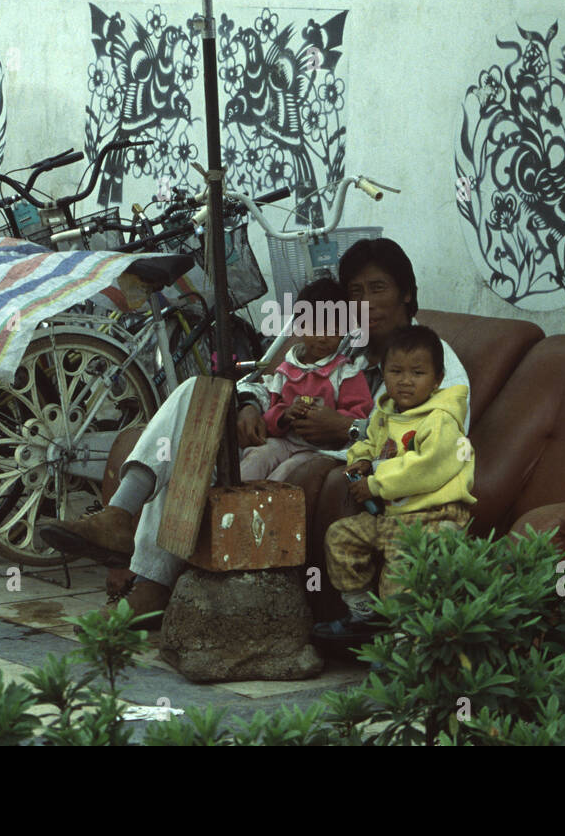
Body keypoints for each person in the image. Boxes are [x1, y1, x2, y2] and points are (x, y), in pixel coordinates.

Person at [38, 237, 471, 624]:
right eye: (355, 293)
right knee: (199, 393)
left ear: (407, 294)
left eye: (379, 289)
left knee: (240, 468)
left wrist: (349, 429)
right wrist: (247, 405)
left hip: (332, 459)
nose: (367, 303)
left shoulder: (435, 359)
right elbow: (263, 378)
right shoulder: (336, 341)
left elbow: (441, 444)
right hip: (283, 437)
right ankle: (120, 513)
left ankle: (153, 582)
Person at [312, 325, 476, 642]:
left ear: (438, 379)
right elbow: (369, 445)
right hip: (392, 517)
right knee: (340, 537)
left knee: (400, 576)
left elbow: (426, 467)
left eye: (418, 373)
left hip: (434, 516)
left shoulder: (441, 419)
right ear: (383, 372)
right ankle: (363, 615)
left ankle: (403, 646)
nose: (405, 380)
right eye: (396, 371)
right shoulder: (385, 413)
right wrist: (358, 461)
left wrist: (375, 484)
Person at [239, 277, 373, 481]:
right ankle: (233, 507)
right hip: (286, 441)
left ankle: (265, 512)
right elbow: (271, 413)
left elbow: (360, 414)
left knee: (284, 476)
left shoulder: (346, 372)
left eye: (334, 329)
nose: (323, 337)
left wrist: (332, 419)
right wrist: (285, 415)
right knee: (255, 458)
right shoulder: (286, 369)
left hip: (321, 449)